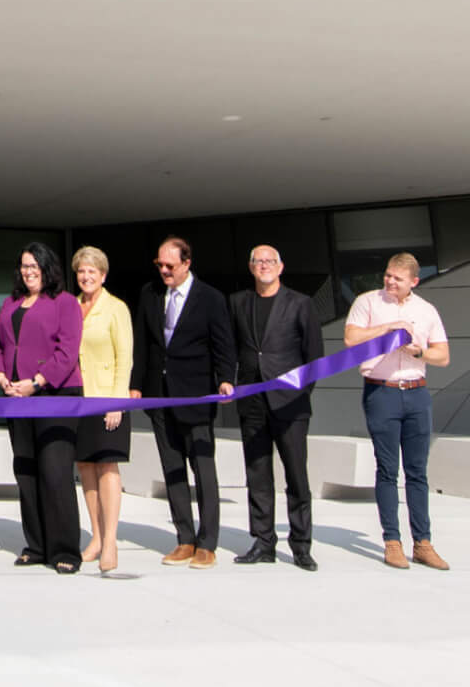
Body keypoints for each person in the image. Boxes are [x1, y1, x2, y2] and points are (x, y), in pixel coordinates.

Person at [133, 236, 235, 568]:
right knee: (173, 468)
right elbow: (144, 344)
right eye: (159, 265)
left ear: (187, 264)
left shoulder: (210, 298)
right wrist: (136, 386)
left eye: (170, 266)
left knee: (203, 470)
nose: (164, 271)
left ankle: (207, 543)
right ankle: (185, 539)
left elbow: (223, 344)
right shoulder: (149, 293)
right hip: (160, 395)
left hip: (196, 394)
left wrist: (225, 378)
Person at [344, 252, 451, 571]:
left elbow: (443, 355)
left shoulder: (426, 310)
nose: (390, 281)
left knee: (417, 472)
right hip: (382, 391)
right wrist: (390, 327)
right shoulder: (368, 302)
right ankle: (392, 541)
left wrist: (421, 351)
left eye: (397, 278)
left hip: (416, 393)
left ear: (414, 282)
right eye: (388, 275)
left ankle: (423, 542)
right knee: (387, 469)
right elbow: (351, 339)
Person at [0, 242, 85, 573]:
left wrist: (38, 382)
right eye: (24, 266)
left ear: (48, 268)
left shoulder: (65, 303)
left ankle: (65, 552)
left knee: (55, 473)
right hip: (17, 397)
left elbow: (68, 351)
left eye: (35, 266)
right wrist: (1, 377)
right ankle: (36, 546)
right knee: (26, 470)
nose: (29, 272)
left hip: (55, 394)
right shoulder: (10, 303)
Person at [229, 244, 324, 571]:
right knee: (257, 475)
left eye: (270, 261)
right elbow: (231, 347)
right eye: (258, 261)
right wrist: (228, 380)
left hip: (291, 405)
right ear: (251, 266)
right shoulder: (238, 302)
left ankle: (301, 546)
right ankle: (263, 541)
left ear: (281, 267)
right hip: (252, 401)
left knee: (296, 476)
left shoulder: (301, 303)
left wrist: (301, 393)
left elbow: (314, 357)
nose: (264, 266)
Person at [71, 246, 132, 575]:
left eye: (92, 271)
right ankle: (95, 537)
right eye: (81, 271)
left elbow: (126, 357)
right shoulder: (73, 306)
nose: (86, 276)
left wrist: (116, 402)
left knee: (107, 467)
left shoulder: (116, 308)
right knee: (86, 467)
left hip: (108, 398)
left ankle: (110, 541)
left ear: (103, 275)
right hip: (80, 400)